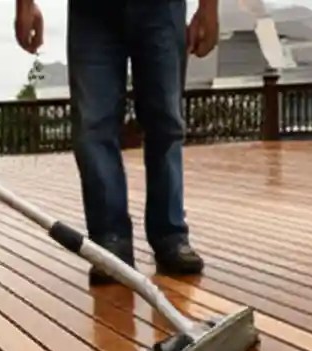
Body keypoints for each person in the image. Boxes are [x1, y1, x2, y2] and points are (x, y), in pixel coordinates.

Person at [14, 0, 218, 285]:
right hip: (91, 13)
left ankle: (170, 235)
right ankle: (111, 240)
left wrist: (209, 8)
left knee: (166, 123)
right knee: (92, 126)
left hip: (162, 8)